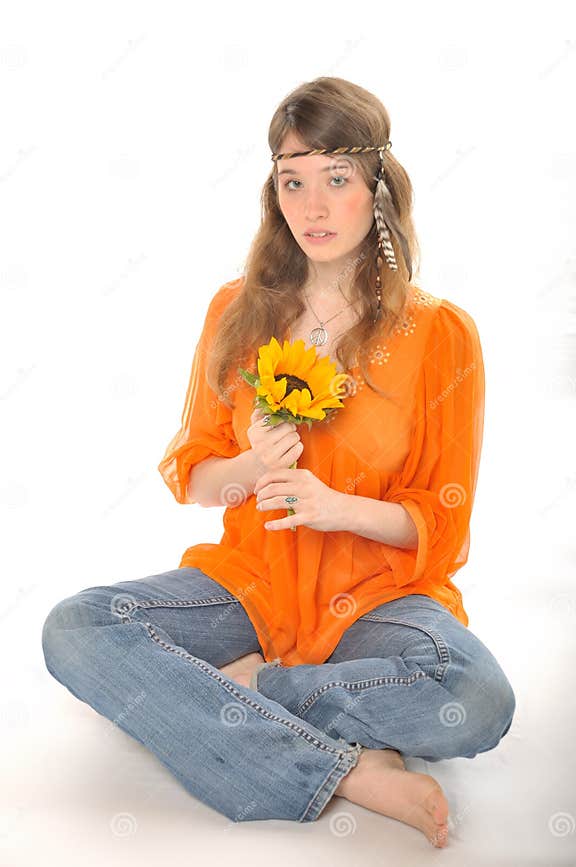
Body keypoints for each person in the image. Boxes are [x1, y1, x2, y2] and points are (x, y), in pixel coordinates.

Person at [41, 76, 515, 849]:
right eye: (293, 181)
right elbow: (198, 475)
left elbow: (443, 520)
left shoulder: (440, 333)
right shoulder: (236, 310)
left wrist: (337, 507)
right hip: (251, 584)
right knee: (78, 626)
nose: (313, 207)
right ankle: (347, 770)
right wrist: (252, 464)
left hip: (375, 599)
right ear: (274, 193)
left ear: (378, 189)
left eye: (337, 178)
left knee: (477, 694)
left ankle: (251, 689)